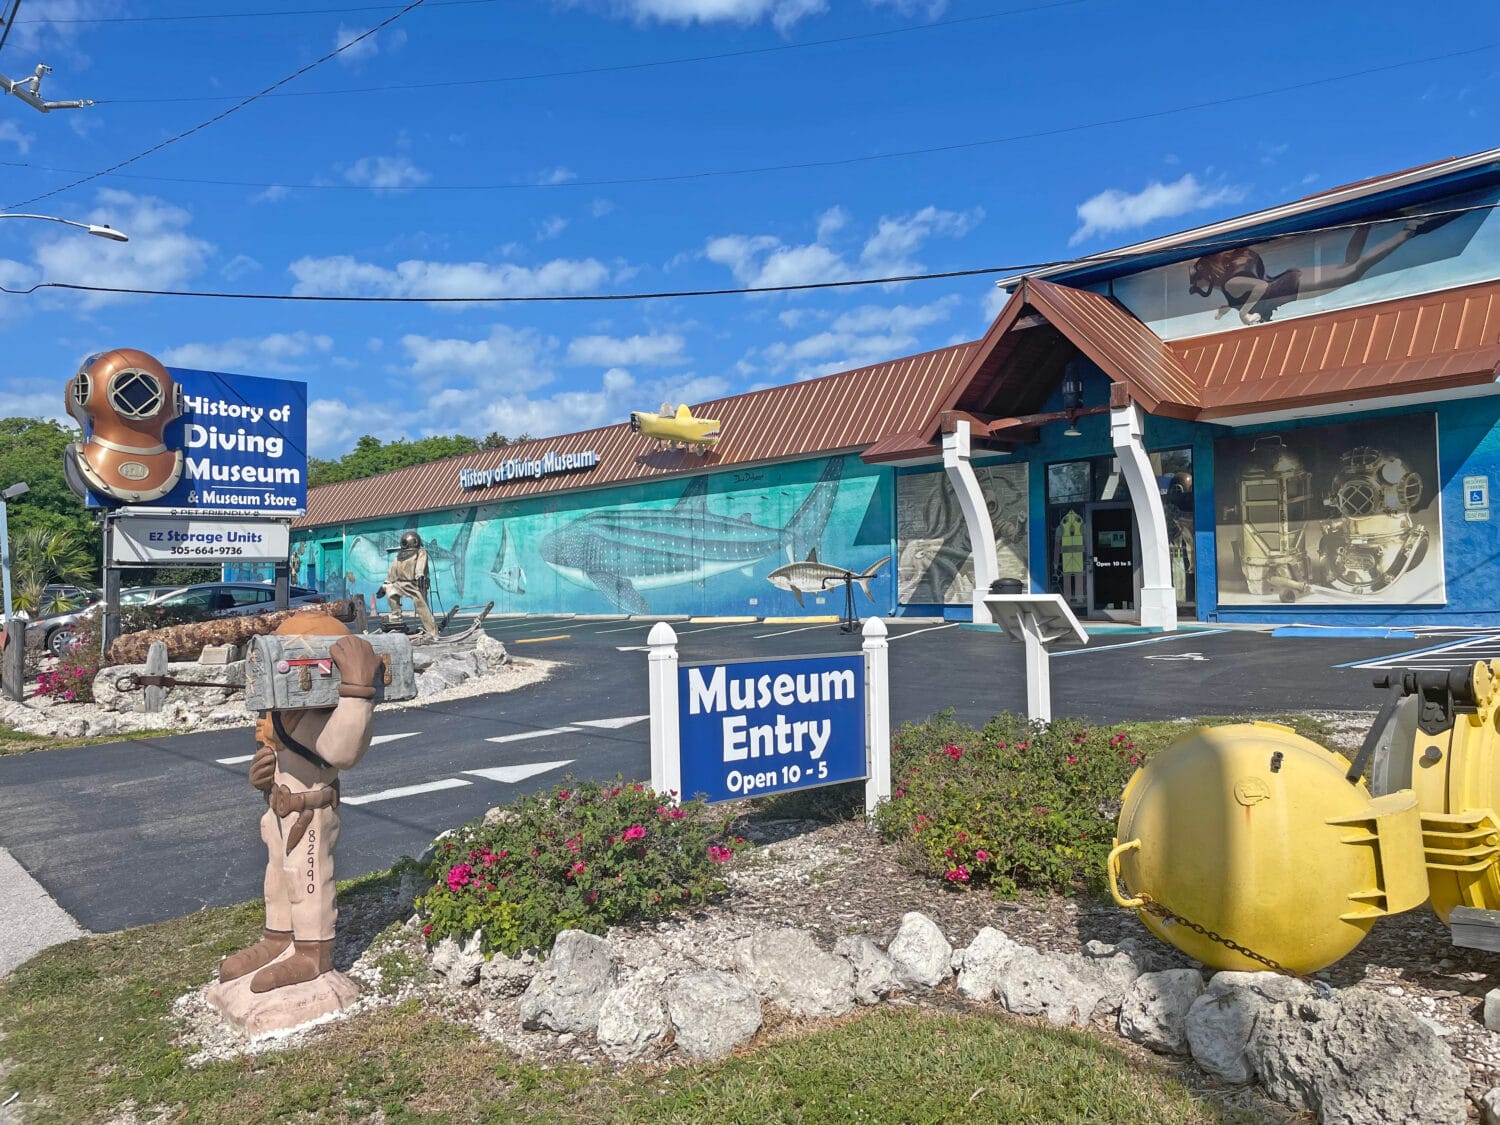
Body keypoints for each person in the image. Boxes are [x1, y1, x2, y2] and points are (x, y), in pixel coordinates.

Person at [217, 612, 382, 993]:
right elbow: (273, 755)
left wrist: (357, 688)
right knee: (276, 877)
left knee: (308, 878)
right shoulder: (280, 708)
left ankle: (313, 951)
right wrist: (261, 776)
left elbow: (341, 751)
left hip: (311, 809)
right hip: (278, 807)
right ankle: (277, 938)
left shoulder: (319, 711)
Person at [379, 531, 440, 637]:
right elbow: (392, 571)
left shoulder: (420, 552)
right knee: (390, 591)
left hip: (415, 584)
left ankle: (433, 632)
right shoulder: (399, 556)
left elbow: (420, 564)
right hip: (400, 584)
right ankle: (396, 617)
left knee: (421, 605)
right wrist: (385, 584)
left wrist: (420, 575)